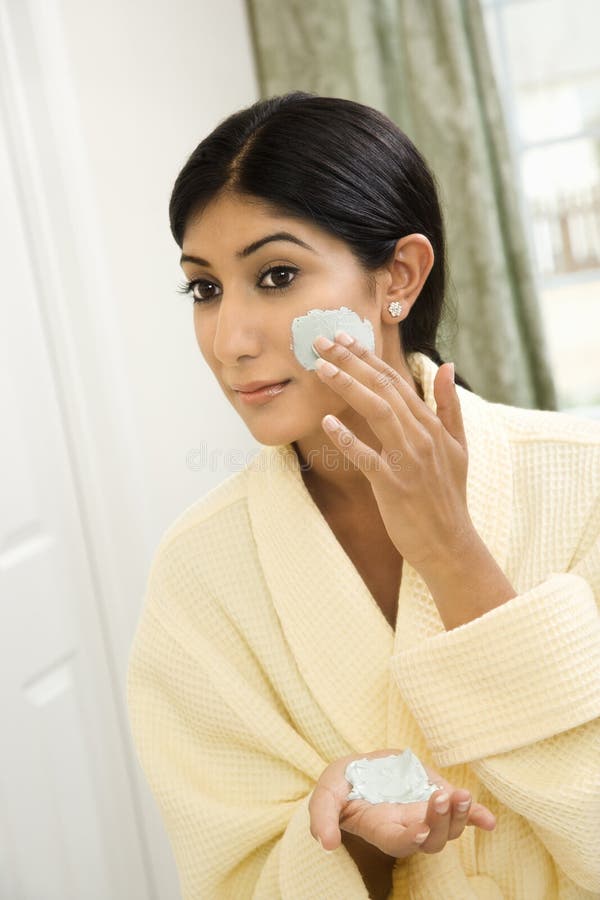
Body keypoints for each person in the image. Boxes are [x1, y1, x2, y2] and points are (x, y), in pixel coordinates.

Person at [126, 92, 600, 899]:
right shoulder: (197, 576)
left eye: (276, 276)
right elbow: (232, 880)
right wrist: (347, 838)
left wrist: (454, 554)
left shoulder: (583, 482)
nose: (229, 341)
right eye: (204, 290)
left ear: (400, 278)